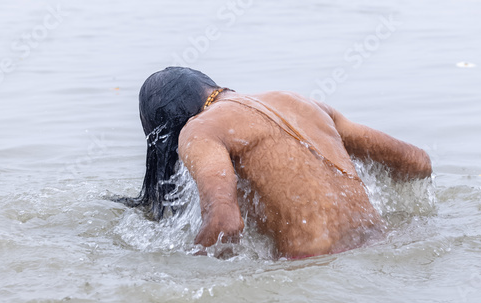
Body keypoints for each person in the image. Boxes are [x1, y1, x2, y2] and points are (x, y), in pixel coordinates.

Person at [114, 66, 432, 259]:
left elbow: (225, 222)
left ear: (165, 130)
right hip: (384, 246)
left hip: (313, 268)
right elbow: (417, 163)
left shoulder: (199, 130)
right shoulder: (301, 102)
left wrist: (189, 271)